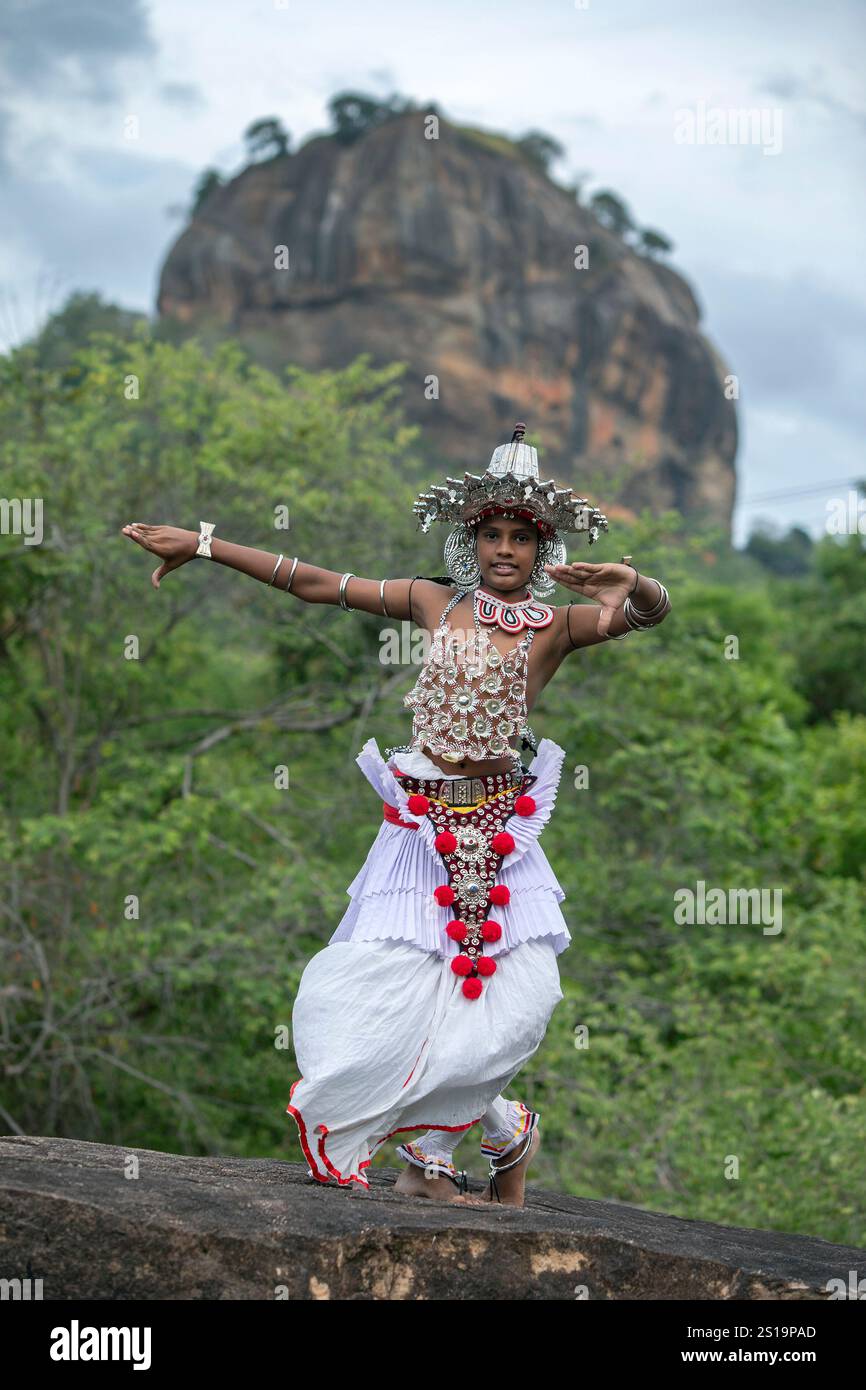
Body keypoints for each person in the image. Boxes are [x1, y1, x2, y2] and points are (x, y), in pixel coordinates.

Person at [120, 421, 671, 1207]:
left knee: (509, 999)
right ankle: (500, 1132)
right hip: (418, 829)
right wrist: (206, 546)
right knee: (381, 983)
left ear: (542, 551)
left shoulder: (555, 628)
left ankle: (485, 1141)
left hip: (497, 839)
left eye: (521, 537)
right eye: (492, 535)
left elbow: (646, 616)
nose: (505, 550)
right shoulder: (432, 601)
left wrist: (635, 582)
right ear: (471, 542)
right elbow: (315, 582)